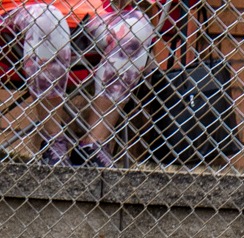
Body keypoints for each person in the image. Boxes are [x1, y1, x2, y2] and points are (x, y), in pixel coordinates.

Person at [2, 0, 155, 167]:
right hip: (19, 26)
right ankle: (53, 141)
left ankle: (93, 145)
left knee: (137, 27)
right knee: (48, 18)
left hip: (90, 22)